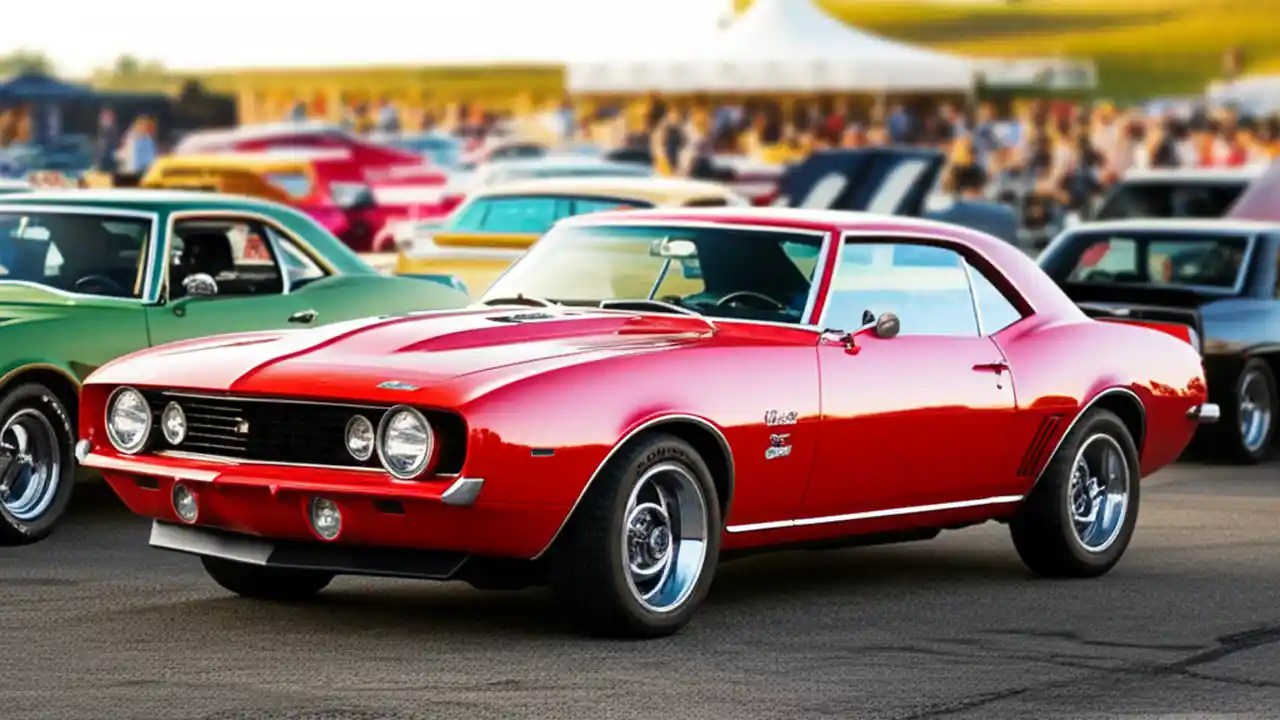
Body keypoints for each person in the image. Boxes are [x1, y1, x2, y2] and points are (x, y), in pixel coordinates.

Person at [92, 108, 120, 173]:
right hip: (99, 168)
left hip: (111, 167)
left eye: (108, 118)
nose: (105, 120)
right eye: (103, 118)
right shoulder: (97, 135)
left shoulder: (115, 134)